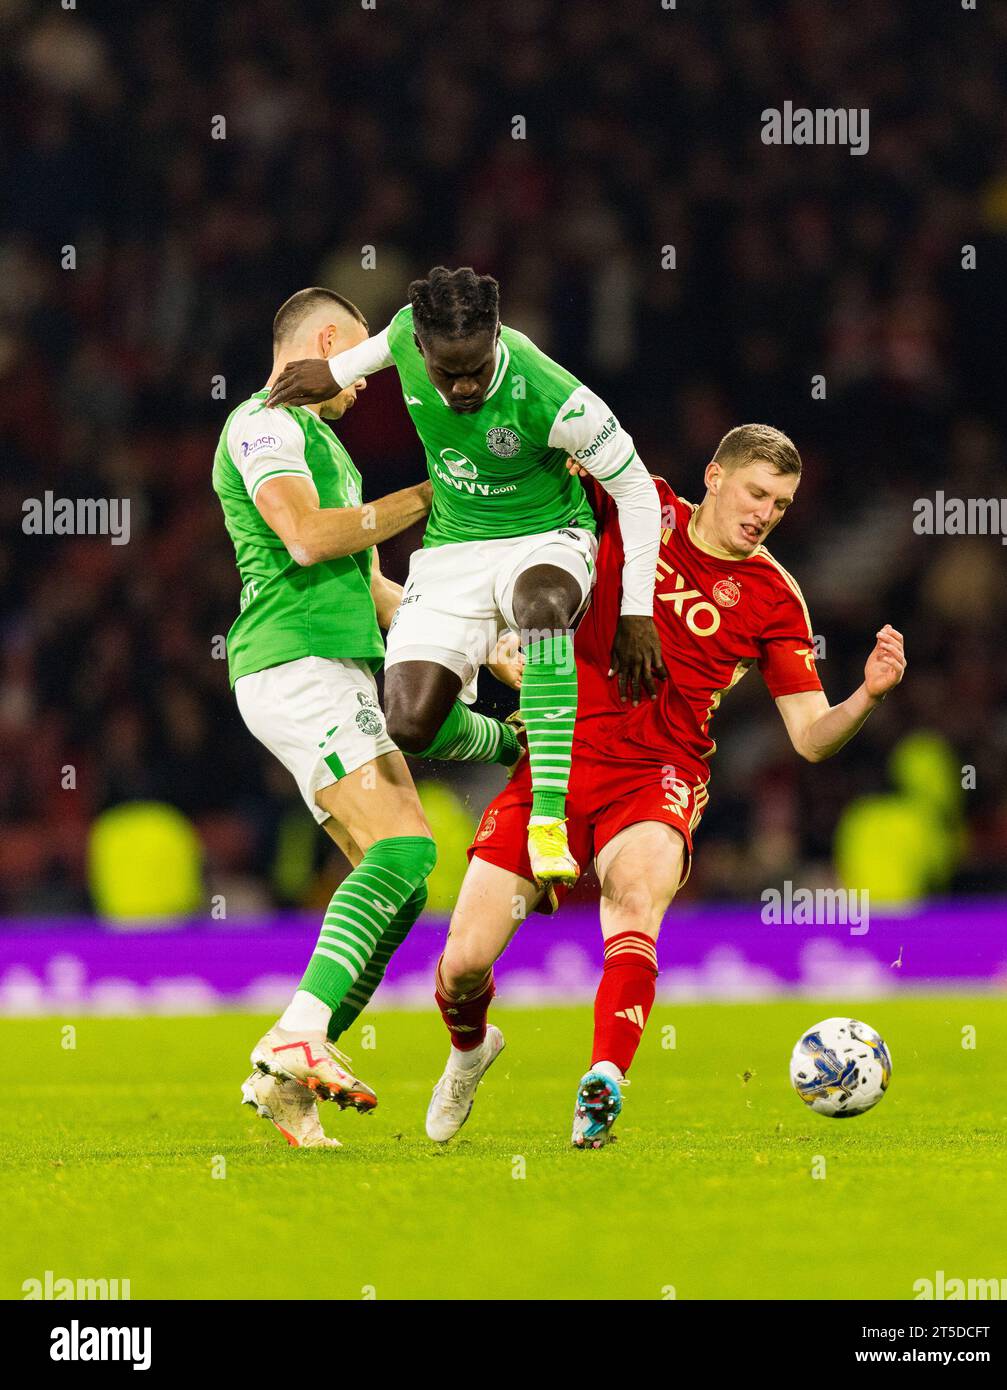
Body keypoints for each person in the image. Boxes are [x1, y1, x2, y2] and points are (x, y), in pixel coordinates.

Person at [423, 424, 907, 1148]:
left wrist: (865, 696)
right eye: (756, 493)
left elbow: (810, 736)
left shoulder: (773, 597)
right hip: (557, 757)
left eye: (780, 504)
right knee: (463, 965)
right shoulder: (636, 504)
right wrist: (501, 637)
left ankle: (604, 1082)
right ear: (714, 476)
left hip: (660, 773)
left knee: (635, 899)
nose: (765, 514)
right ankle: (469, 1050)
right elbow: (527, 526)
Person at [213, 286, 516, 1148]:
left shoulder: (326, 447)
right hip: (295, 659)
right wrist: (430, 493)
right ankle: (298, 1034)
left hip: (330, 662)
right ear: (328, 341)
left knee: (403, 883)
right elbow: (307, 538)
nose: (364, 383)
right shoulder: (264, 423)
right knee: (406, 848)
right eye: (358, 363)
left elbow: (376, 588)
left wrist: (480, 644)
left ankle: (287, 1078)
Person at [265, 266, 665, 886]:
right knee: (408, 723)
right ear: (421, 349)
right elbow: (375, 350)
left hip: (546, 536)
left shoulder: (553, 394)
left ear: (497, 336)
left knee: (542, 607)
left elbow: (636, 490)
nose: (464, 386)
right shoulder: (406, 334)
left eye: (476, 368)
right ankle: (516, 742)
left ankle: (549, 817)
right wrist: (333, 374)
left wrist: (637, 611)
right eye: (447, 373)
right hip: (453, 547)